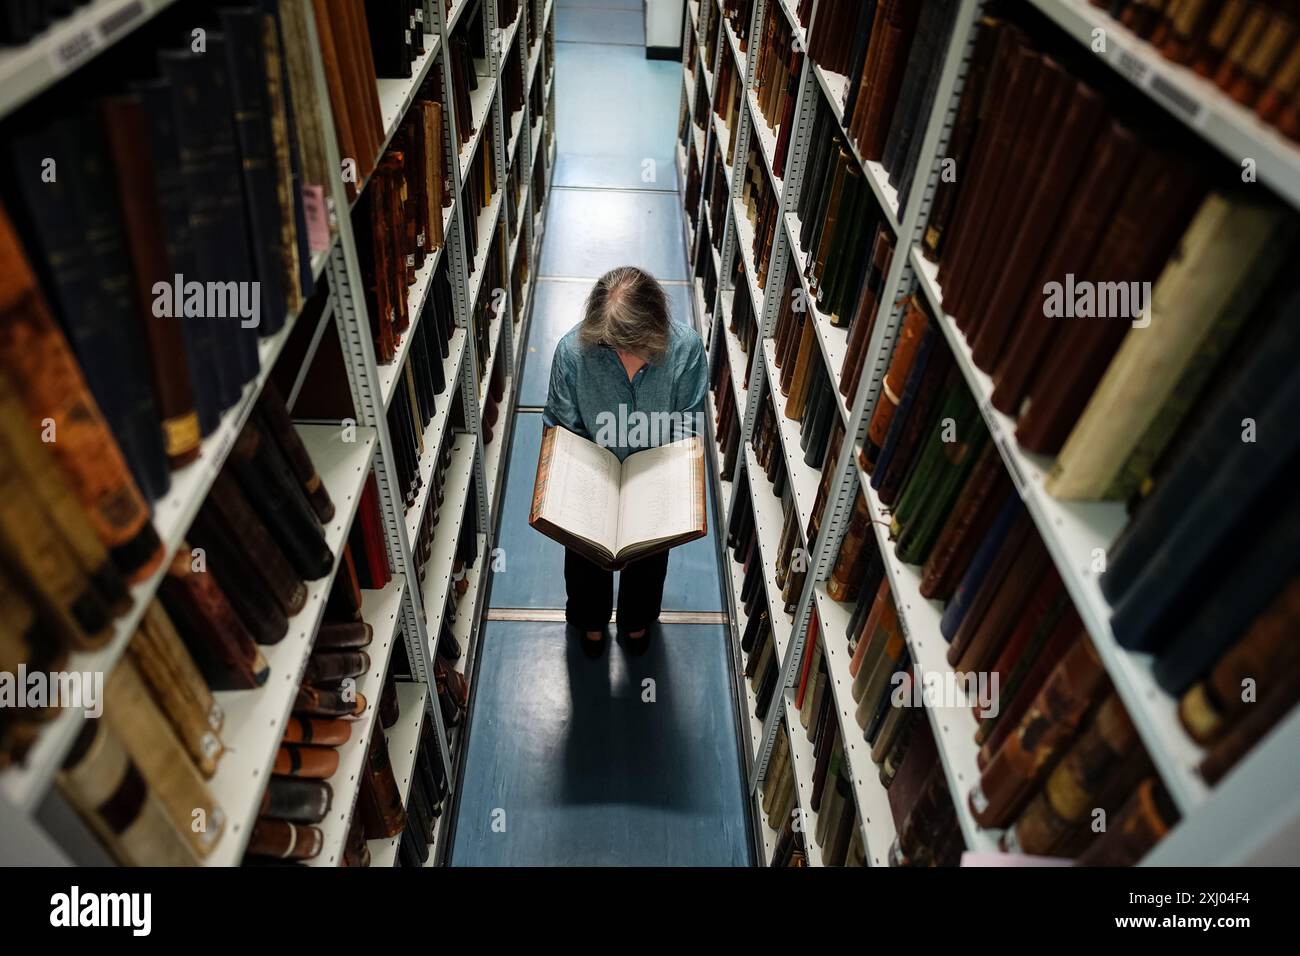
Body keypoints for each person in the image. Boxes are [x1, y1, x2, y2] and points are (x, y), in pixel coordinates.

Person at [542, 266, 708, 657]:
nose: (621, 353)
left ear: (656, 326)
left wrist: (660, 477)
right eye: (611, 344)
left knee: (650, 559)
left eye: (632, 344)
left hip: (656, 476)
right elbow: (562, 428)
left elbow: (687, 422)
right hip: (591, 477)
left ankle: (637, 621)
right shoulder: (573, 352)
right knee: (584, 559)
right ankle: (591, 623)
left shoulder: (686, 349)